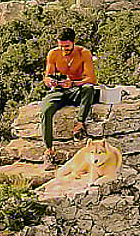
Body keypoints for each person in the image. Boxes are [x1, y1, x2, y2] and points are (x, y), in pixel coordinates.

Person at [40, 27, 99, 170]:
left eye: (66, 46)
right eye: (61, 46)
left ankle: (79, 124)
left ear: (73, 42)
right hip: (59, 91)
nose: (63, 49)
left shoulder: (84, 53)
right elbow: (47, 77)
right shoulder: (53, 54)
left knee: (89, 89)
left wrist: (72, 83)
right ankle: (49, 151)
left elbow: (91, 79)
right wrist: (50, 81)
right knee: (46, 110)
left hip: (76, 89)